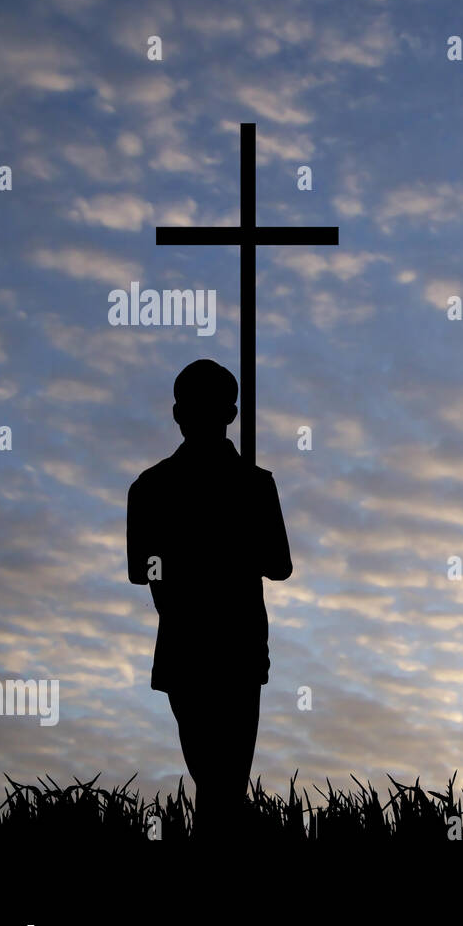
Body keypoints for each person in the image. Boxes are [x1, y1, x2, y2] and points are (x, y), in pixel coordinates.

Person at [126, 359, 292, 840]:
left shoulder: (160, 486)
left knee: (218, 781)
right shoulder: (245, 485)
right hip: (210, 645)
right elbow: (145, 569)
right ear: (232, 413)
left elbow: (277, 565)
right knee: (222, 781)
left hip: (213, 647)